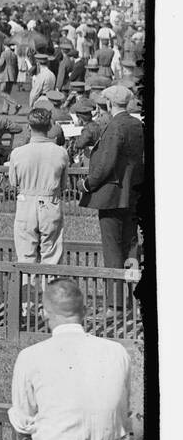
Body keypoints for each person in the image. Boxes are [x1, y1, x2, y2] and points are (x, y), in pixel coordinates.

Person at [0, 279, 131, 440]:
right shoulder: (117, 352)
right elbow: (122, 414)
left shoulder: (30, 356)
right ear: (86, 311)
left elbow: (22, 422)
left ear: (44, 313)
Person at [82, 84, 145, 307]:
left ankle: (116, 304)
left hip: (113, 195)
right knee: (131, 246)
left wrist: (87, 184)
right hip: (134, 193)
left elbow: (105, 164)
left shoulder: (115, 126)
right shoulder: (137, 124)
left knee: (112, 250)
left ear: (109, 104)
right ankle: (135, 299)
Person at [8, 108, 69, 266]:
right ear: (50, 126)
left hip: (26, 203)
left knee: (25, 255)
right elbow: (63, 185)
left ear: (29, 126)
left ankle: (27, 288)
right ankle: (50, 289)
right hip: (50, 203)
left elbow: (13, 183)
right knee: (52, 256)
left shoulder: (17, 153)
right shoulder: (60, 152)